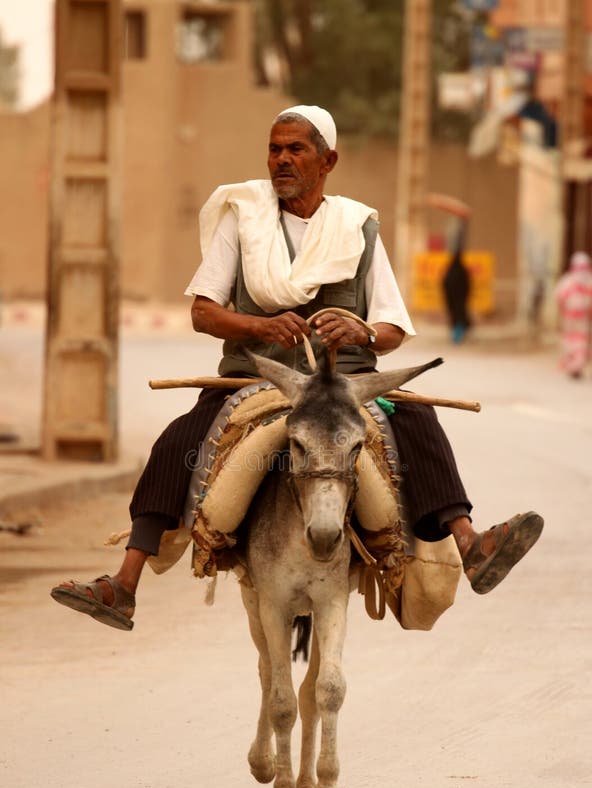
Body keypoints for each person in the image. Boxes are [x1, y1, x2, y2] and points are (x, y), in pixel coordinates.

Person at [51, 105, 544, 631]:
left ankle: (470, 544)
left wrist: (362, 332)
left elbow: (392, 329)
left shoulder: (358, 227)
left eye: (296, 149)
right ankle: (124, 583)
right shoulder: (242, 219)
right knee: (178, 441)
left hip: (346, 384)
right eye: (274, 149)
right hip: (255, 378)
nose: (281, 160)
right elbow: (202, 311)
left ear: (327, 160)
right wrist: (259, 328)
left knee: (421, 424)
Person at [555, 252, 592, 379]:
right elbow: (560, 298)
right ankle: (572, 366)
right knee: (573, 341)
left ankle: (576, 367)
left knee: (579, 342)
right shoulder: (568, 281)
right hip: (571, 318)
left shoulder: (583, 281)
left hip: (581, 318)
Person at [442, 221, 471, 344]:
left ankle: (458, 331)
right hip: (455, 288)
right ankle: (458, 330)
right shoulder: (455, 268)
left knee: (458, 310)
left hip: (456, 286)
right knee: (457, 310)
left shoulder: (457, 267)